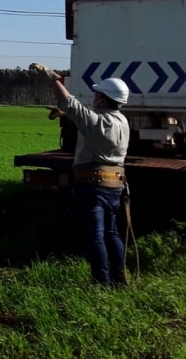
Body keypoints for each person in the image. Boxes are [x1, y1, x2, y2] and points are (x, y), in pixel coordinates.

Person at [30, 63, 131, 287]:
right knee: (111, 233)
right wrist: (66, 114)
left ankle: (101, 282)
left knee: (95, 236)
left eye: (97, 94)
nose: (94, 97)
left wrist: (53, 78)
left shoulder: (97, 122)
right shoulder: (122, 121)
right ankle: (119, 278)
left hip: (93, 186)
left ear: (103, 100)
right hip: (115, 186)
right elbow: (83, 114)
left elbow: (70, 103)